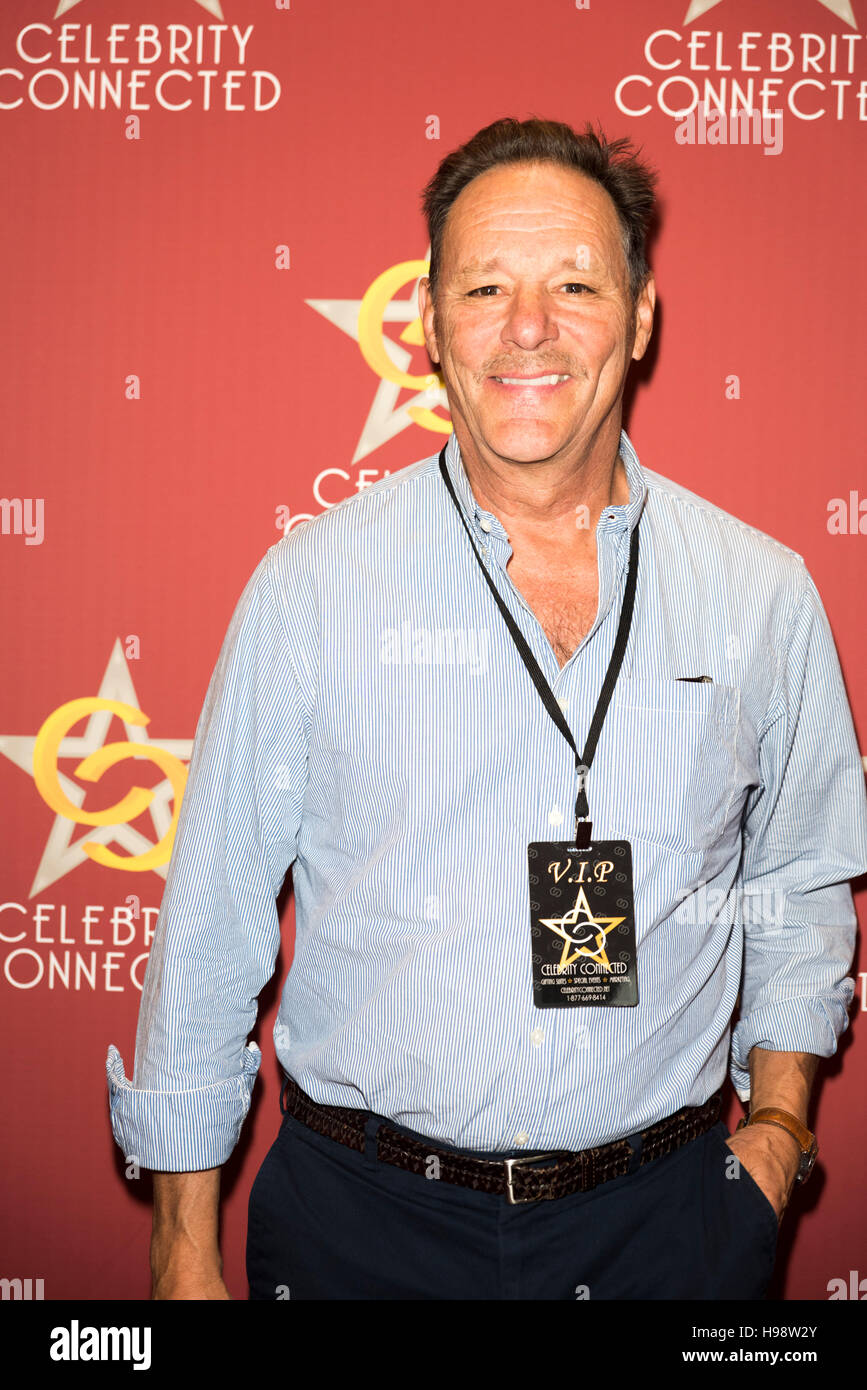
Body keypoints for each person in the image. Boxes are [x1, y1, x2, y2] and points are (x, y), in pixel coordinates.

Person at [106, 117, 867, 1301]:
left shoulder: (762, 595)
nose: (529, 327)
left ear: (644, 312)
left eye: (574, 282)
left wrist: (775, 1129)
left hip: (669, 1230)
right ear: (430, 319)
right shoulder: (312, 590)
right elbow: (210, 930)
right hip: (362, 1227)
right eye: (486, 286)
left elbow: (804, 877)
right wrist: (181, 1247)